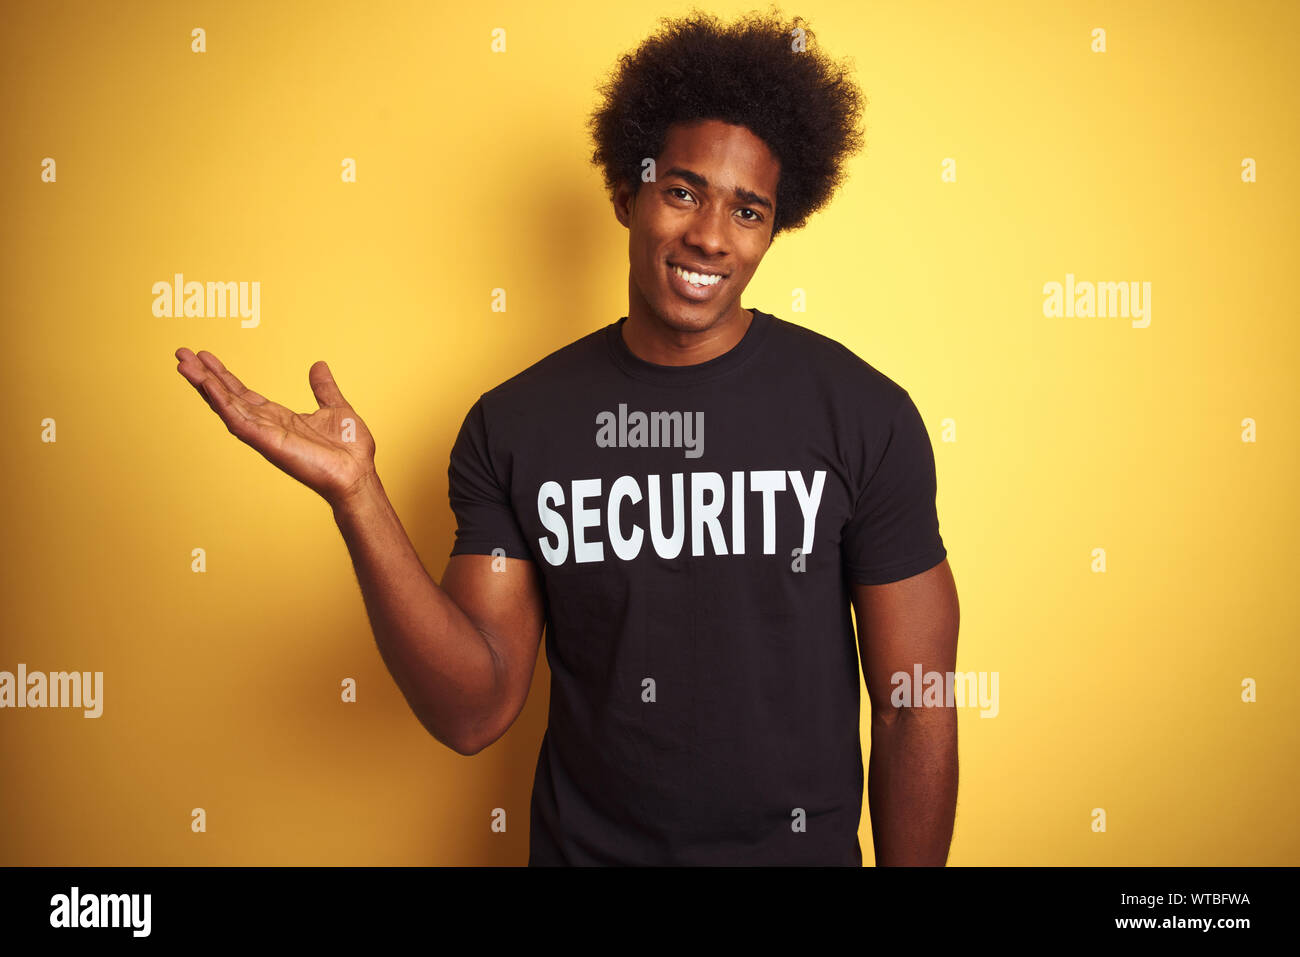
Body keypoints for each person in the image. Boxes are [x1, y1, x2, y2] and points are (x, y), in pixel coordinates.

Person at [175, 9, 959, 866]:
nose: (708, 235)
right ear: (628, 192)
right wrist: (357, 497)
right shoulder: (515, 426)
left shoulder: (862, 414)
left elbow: (914, 703)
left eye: (748, 210)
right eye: (683, 190)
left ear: (775, 229)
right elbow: (474, 711)